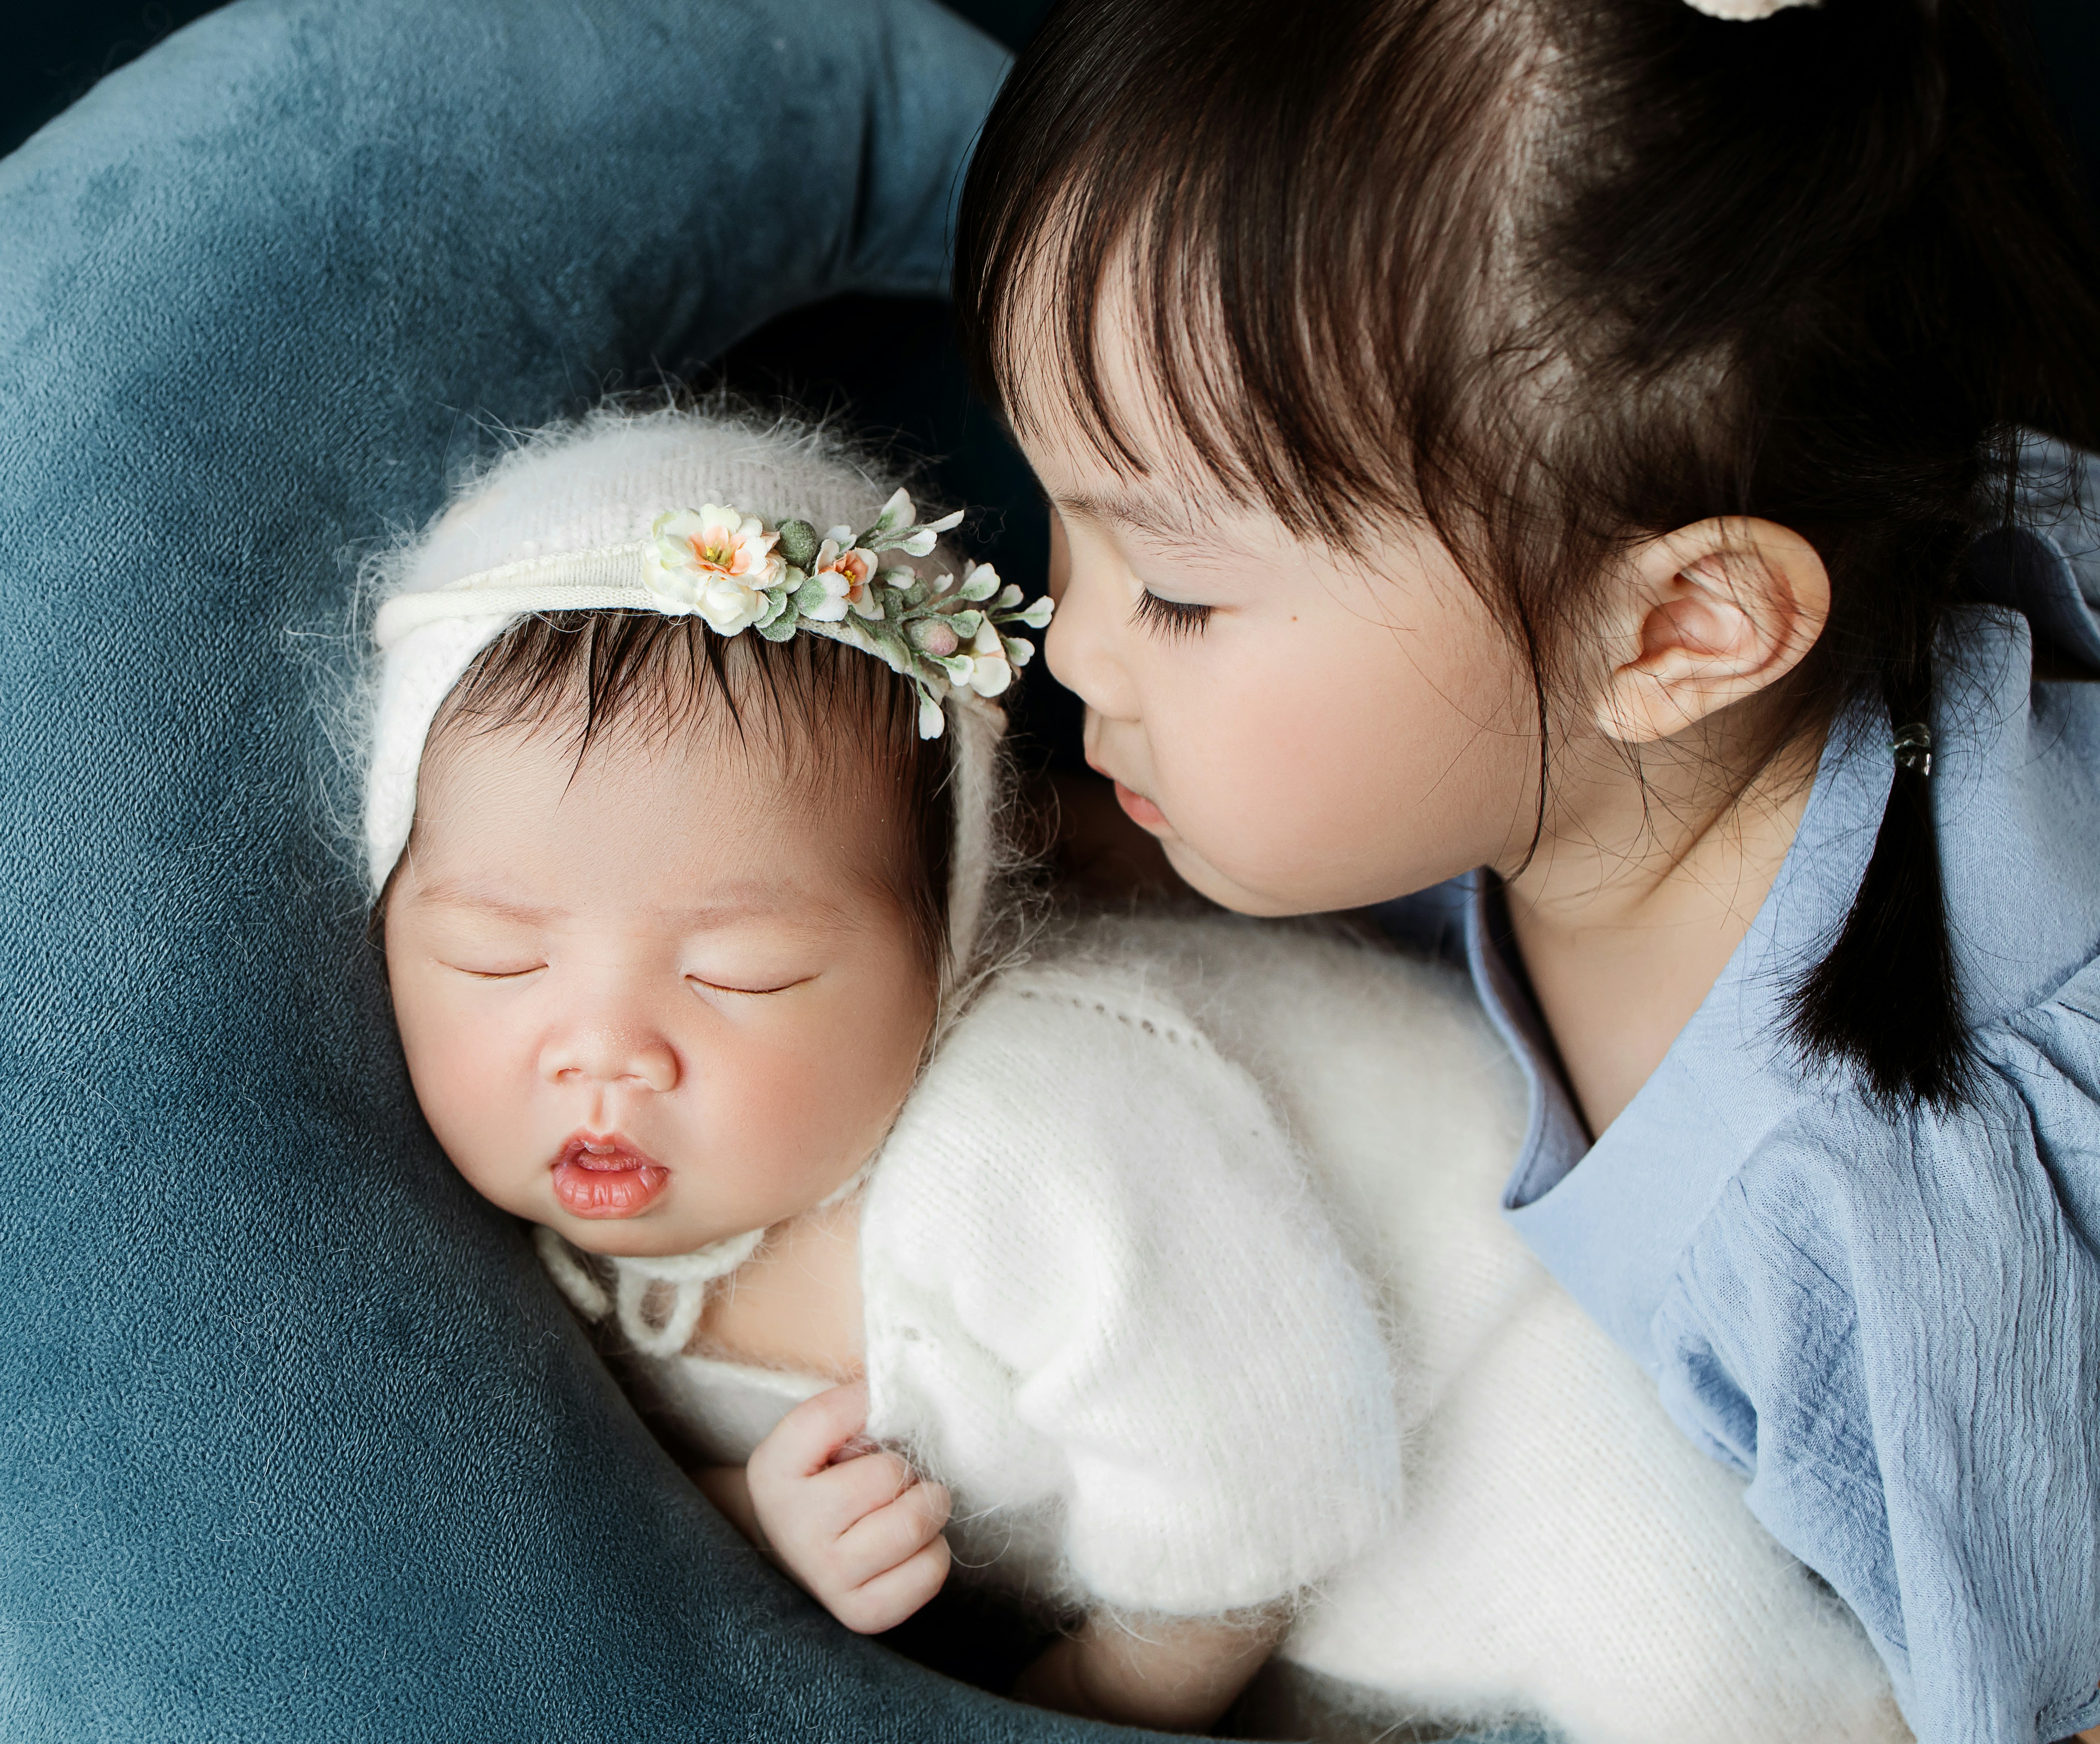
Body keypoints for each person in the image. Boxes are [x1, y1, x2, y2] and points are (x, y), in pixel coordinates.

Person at [951, 0, 2100, 1737]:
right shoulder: (1627, 694)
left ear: (1680, 632)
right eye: (1067, 517)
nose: (1072, 635)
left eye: (1183, 592)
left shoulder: (1872, 1234)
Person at [358, 397, 1905, 1740]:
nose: (603, 1053)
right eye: (496, 957)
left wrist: (1105, 1698)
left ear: (944, 949)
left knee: (1683, 1659)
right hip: (1219, 1536)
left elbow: (1268, 1471)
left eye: (740, 972)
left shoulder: (1022, 1139)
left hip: (1490, 1348)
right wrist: (754, 1523)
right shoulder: (544, 1242)